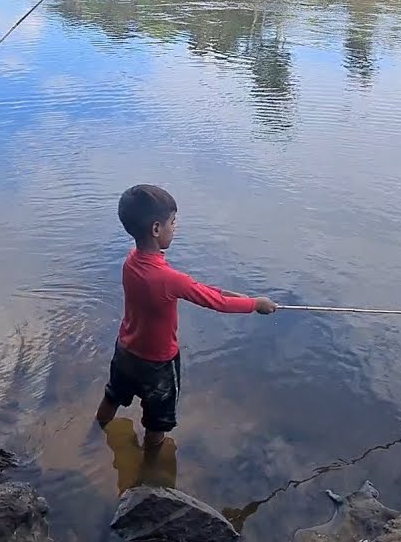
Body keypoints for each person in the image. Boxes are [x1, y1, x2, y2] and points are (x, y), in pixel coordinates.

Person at [95, 184, 277, 448]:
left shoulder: (131, 261)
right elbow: (217, 303)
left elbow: (200, 290)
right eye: (172, 222)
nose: (175, 227)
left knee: (113, 395)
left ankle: (93, 437)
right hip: (158, 364)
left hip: (125, 352)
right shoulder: (169, 279)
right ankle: (150, 469)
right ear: (156, 229)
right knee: (158, 423)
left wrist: (233, 294)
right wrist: (255, 304)